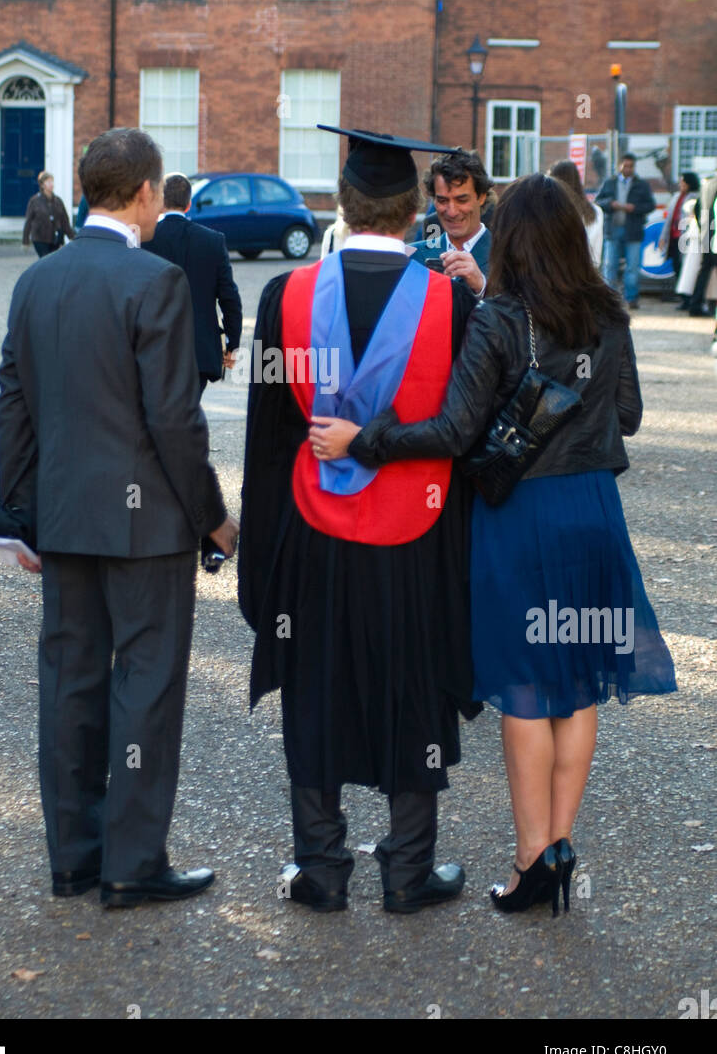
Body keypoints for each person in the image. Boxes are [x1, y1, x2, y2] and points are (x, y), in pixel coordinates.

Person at [310, 173, 676, 915]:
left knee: (525, 688)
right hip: (594, 514)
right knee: (578, 686)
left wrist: (364, 440)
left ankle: (529, 859)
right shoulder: (609, 312)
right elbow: (627, 416)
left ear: (507, 239)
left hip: (519, 519)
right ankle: (561, 846)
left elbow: (451, 432)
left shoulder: (499, 317)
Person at [0, 127, 238, 909]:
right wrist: (213, 519)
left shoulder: (37, 282)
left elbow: (13, 403)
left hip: (63, 519)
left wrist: (20, 512)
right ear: (143, 194)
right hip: (145, 528)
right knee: (145, 687)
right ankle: (131, 864)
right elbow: (174, 421)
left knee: (69, 687)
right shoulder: (154, 279)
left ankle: (73, 859)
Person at [239, 125, 480, 916]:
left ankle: (321, 866)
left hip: (313, 533)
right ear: (416, 209)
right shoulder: (449, 302)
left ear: (342, 203)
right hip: (418, 532)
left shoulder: (286, 296)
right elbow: (465, 432)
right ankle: (407, 871)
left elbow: (272, 439)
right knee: (412, 688)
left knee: (313, 686)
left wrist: (261, 561)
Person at [142, 172, 243, 393]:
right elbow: (230, 298)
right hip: (200, 350)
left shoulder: (144, 240)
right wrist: (232, 345)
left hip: (155, 348)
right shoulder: (213, 241)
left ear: (160, 202)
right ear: (189, 204)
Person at [413, 149, 492, 297]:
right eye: (442, 201)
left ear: (481, 197)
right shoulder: (413, 257)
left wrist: (482, 287)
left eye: (461, 200)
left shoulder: (508, 256)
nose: (452, 211)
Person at [594, 153, 655, 309]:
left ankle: (631, 298)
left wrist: (635, 208)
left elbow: (650, 205)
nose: (628, 168)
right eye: (625, 165)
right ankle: (609, 299)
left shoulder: (641, 185)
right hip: (613, 230)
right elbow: (598, 201)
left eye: (631, 166)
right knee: (609, 266)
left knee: (632, 267)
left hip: (633, 231)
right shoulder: (610, 182)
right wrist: (611, 204)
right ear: (619, 165)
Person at [550, 158, 603, 266]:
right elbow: (596, 252)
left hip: (557, 274)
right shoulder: (596, 212)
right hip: (587, 273)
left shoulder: (550, 211)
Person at [659, 173, 699, 308]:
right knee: (676, 266)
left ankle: (688, 298)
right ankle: (683, 297)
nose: (681, 185)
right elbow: (669, 219)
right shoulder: (676, 197)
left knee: (685, 267)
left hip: (685, 237)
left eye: (683, 182)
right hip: (674, 237)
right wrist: (663, 237)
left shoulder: (695, 197)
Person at [22, 171, 74, 257]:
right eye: (48, 182)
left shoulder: (58, 201)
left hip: (55, 238)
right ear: (42, 185)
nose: (51, 184)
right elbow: (28, 221)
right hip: (40, 238)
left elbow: (65, 220)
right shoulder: (34, 201)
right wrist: (25, 240)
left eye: (52, 181)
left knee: (53, 261)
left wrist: (72, 236)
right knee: (45, 259)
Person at [687, 172, 717, 318]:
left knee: (705, 271)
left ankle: (696, 303)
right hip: (714, 235)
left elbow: (698, 208)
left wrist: (703, 229)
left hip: (707, 233)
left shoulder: (707, 184)